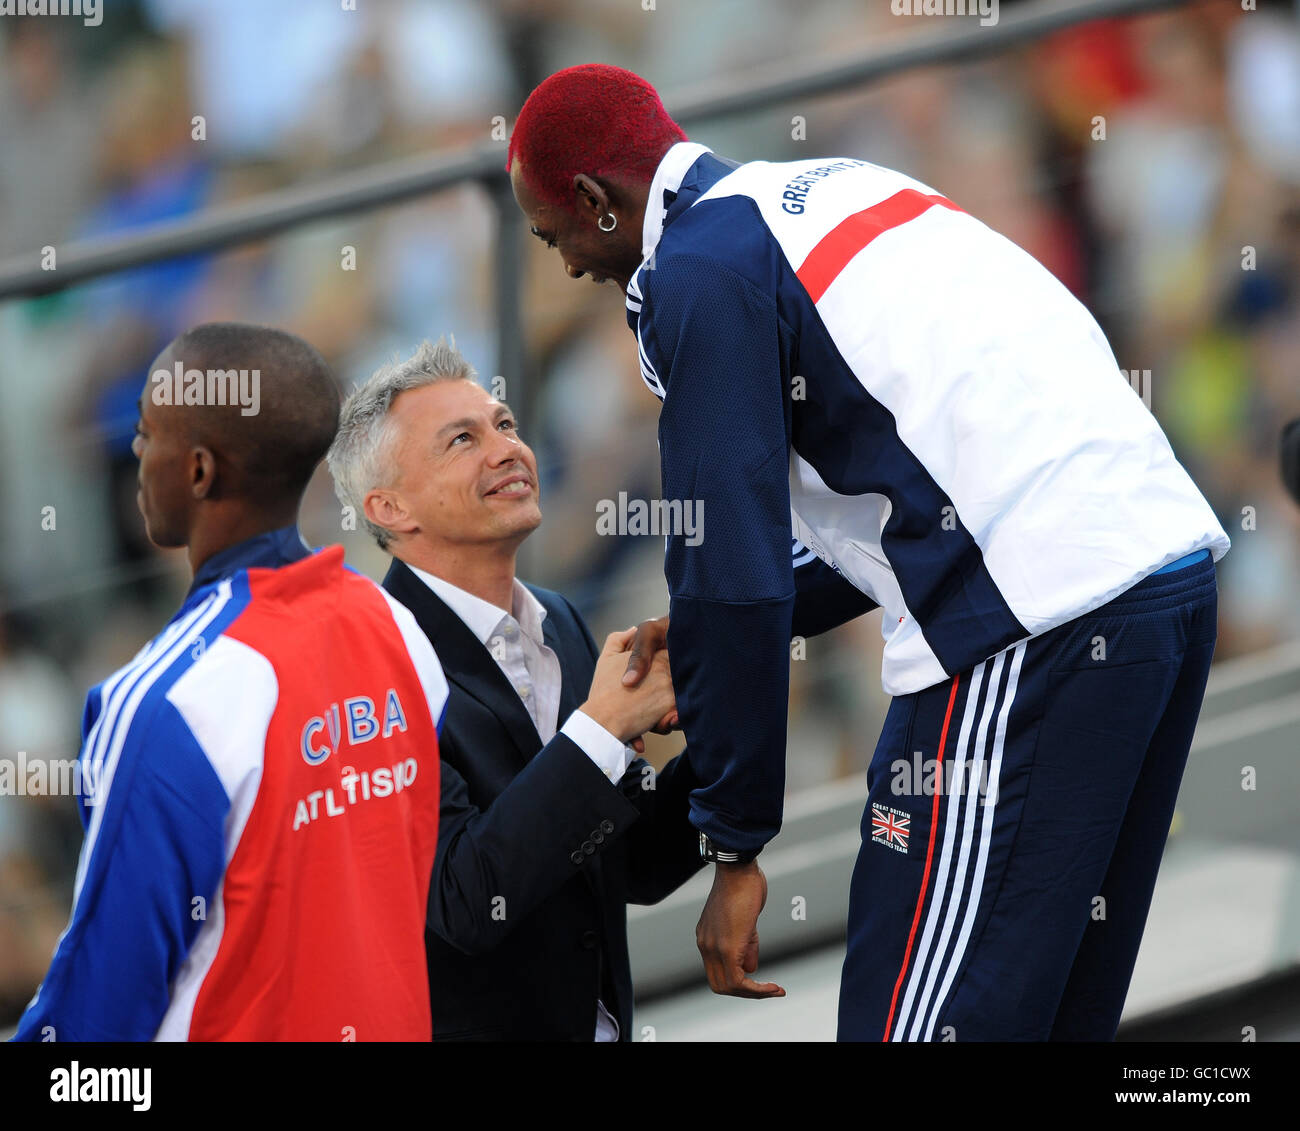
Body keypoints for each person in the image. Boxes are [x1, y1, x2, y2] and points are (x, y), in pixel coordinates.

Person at [507, 64, 1232, 1041]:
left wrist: (731, 839)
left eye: (554, 236)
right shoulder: (840, 181)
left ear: (595, 201)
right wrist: (713, 644)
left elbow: (733, 565)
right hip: (1161, 575)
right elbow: (917, 496)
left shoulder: (697, 269)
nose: (566, 269)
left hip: (1029, 623)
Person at [14, 323, 448, 1042]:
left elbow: (99, 1007)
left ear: (199, 472)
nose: (134, 451)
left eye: (147, 433)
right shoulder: (398, 628)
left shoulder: (161, 701)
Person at [327, 337, 703, 1042]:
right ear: (391, 507)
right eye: (462, 439)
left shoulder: (558, 620)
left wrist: (719, 706)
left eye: (504, 424)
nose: (505, 448)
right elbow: (464, 900)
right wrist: (598, 729)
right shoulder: (373, 665)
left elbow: (637, 864)